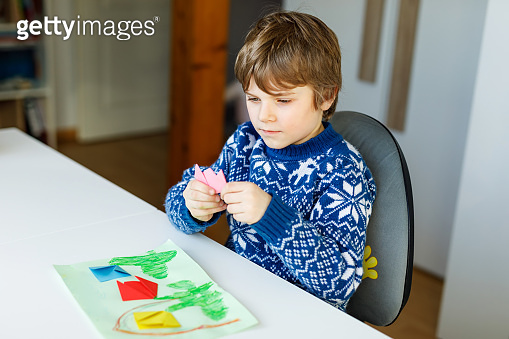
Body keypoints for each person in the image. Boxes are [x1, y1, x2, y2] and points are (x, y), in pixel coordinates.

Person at [165, 10, 376, 311]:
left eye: (283, 100)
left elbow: (339, 282)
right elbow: (176, 210)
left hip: (299, 315)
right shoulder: (246, 142)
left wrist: (271, 217)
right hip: (238, 298)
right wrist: (192, 205)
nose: (264, 116)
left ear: (326, 96)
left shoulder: (343, 171)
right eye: (254, 99)